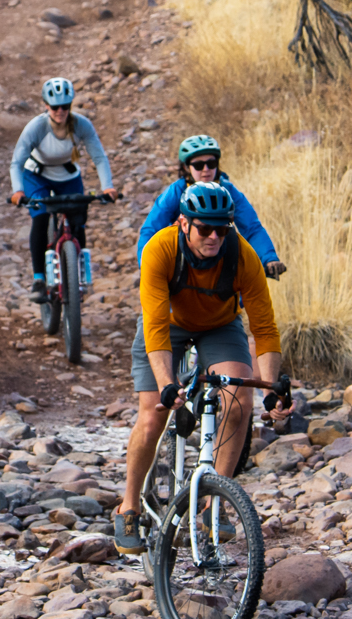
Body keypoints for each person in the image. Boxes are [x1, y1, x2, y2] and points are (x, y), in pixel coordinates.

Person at [116, 182, 290, 553]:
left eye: (222, 229)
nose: (214, 237)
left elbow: (265, 329)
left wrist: (271, 389)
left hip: (219, 326)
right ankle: (129, 506)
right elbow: (155, 328)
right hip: (168, 325)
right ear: (183, 223)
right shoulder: (160, 249)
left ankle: (215, 502)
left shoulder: (242, 257)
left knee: (239, 400)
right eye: (205, 228)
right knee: (153, 414)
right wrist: (167, 384)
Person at [8, 78, 118, 303]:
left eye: (65, 106)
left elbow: (99, 157)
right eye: (55, 106)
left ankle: (78, 275)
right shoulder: (37, 127)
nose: (60, 111)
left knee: (78, 221)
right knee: (40, 217)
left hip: (68, 177)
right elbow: (17, 162)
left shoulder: (81, 125)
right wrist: (18, 191)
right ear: (46, 105)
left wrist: (107, 186)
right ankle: (39, 279)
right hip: (37, 176)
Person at [137, 135, 286, 278]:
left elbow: (251, 227)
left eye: (211, 163)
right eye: (198, 165)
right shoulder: (176, 191)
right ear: (186, 167)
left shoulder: (228, 191)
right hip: (182, 263)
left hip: (221, 263)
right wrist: (146, 264)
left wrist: (269, 259)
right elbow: (151, 229)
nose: (206, 169)